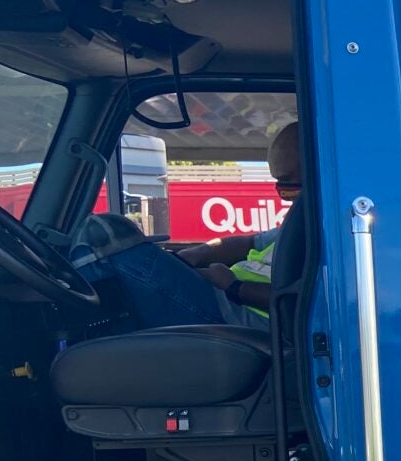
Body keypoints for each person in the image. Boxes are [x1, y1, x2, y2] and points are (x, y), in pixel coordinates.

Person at [86, 121, 300, 328]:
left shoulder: (320, 233)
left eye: (287, 182)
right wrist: (195, 254)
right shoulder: (299, 224)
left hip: (244, 319)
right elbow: (250, 242)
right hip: (225, 297)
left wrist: (235, 287)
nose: (282, 191)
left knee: (105, 240)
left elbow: (308, 302)